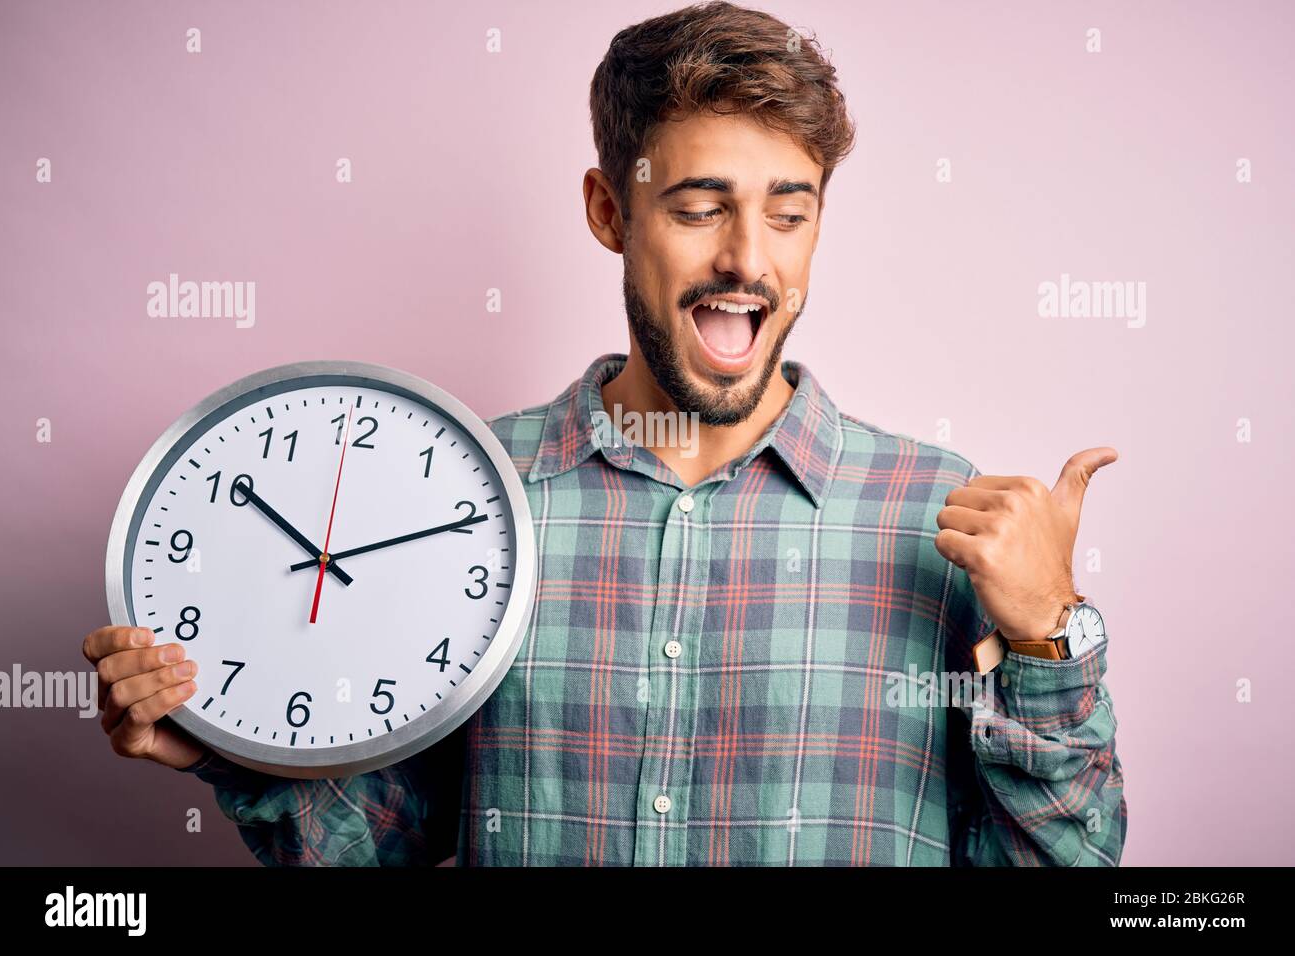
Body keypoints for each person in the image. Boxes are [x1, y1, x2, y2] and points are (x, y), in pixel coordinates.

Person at [82, 0, 1126, 866]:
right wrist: (222, 738)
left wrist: (1053, 636)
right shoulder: (467, 494)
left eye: (787, 212)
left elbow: (1068, 863)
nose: (746, 261)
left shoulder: (935, 513)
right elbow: (376, 847)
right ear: (607, 210)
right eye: (698, 207)